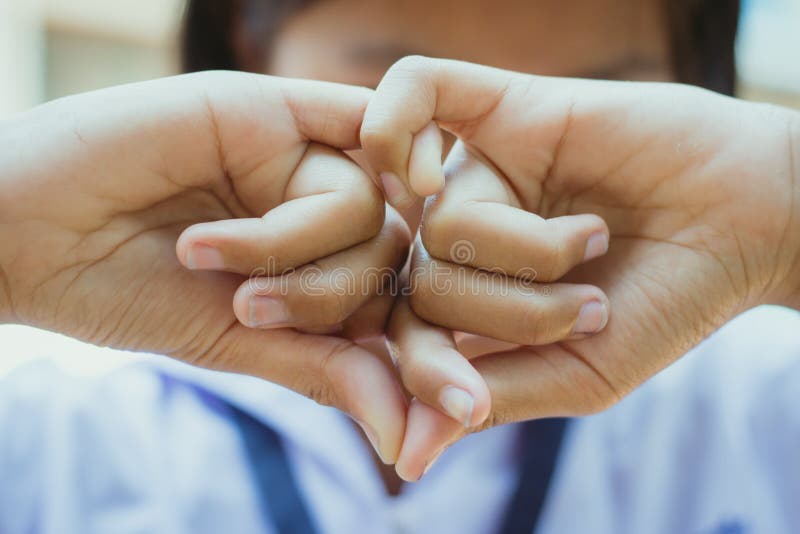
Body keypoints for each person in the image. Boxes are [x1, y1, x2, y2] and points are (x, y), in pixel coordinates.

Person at [1, 4, 798, 534]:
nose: (470, 180)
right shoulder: (53, 423)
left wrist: (784, 206)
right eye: (394, 99)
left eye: (591, 102)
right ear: (250, 51)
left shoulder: (762, 401)